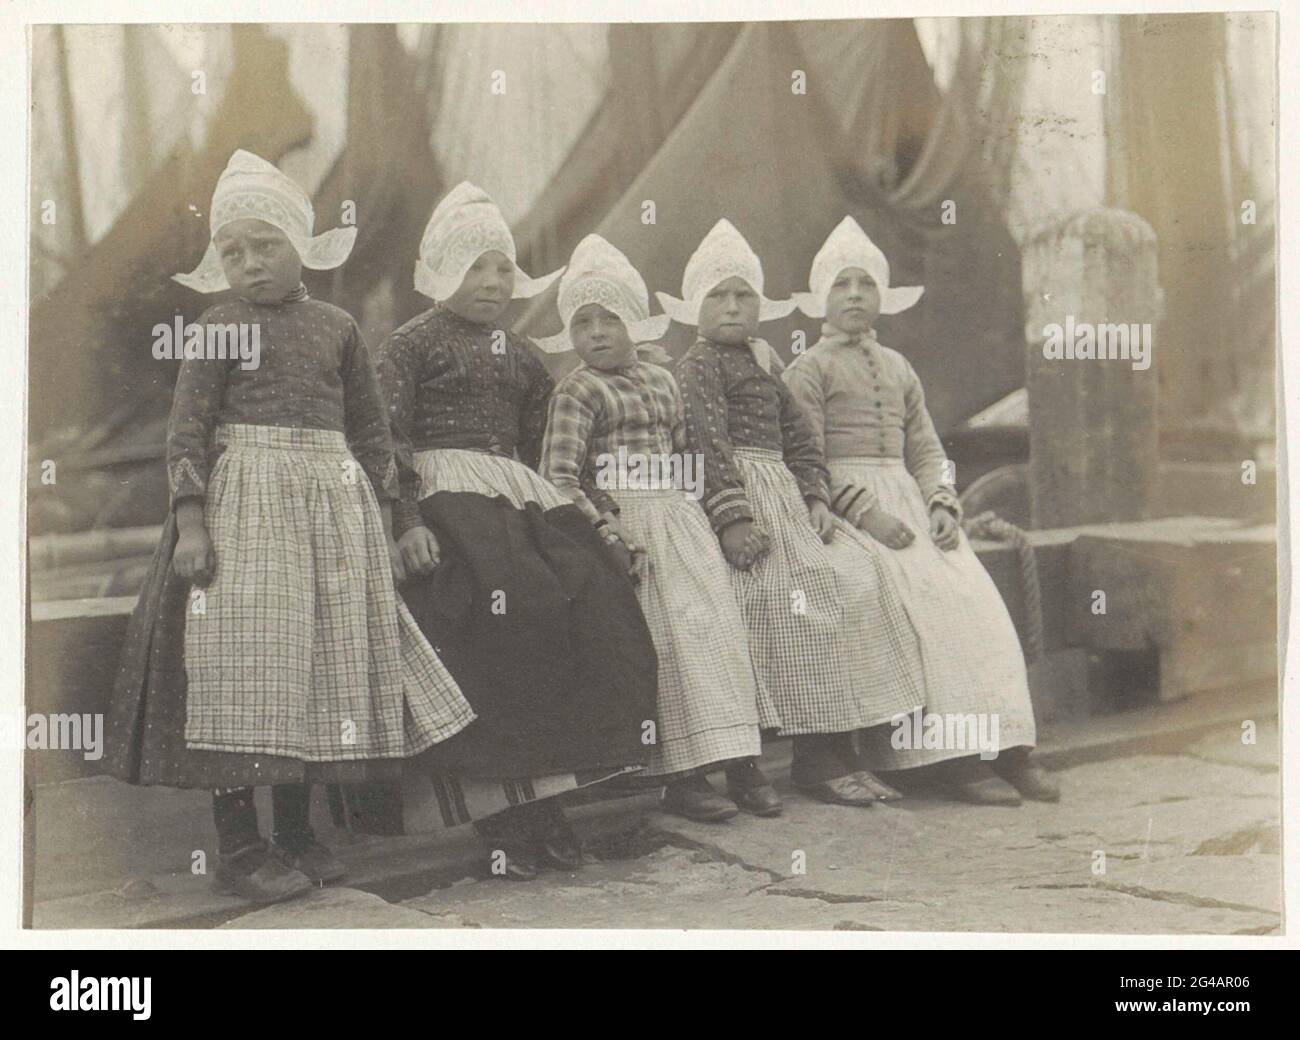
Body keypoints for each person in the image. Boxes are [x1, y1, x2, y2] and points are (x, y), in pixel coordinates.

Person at [104, 150, 475, 905]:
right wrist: (192, 523)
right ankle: (240, 844)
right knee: (244, 667)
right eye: (232, 252)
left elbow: (373, 438)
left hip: (331, 514)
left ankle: (298, 832)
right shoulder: (215, 328)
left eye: (264, 245)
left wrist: (398, 519)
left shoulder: (336, 328)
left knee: (311, 668)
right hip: (246, 509)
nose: (249, 264)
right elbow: (186, 435)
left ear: (300, 242)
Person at [374, 184, 658, 879]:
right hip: (445, 499)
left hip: (518, 496)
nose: (494, 283)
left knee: (587, 594)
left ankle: (551, 796)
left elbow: (548, 452)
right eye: (475, 268)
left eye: (502, 268)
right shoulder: (409, 346)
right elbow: (387, 438)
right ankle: (499, 810)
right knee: (493, 613)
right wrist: (406, 521)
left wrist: (598, 521)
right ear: (441, 271)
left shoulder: (524, 356)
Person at [785, 215, 1058, 805]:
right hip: (855, 513)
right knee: (922, 611)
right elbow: (807, 460)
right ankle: (950, 760)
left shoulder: (900, 368)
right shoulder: (807, 370)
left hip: (909, 500)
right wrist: (867, 515)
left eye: (866, 284)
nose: (855, 295)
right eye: (842, 285)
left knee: (976, 603)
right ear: (821, 299)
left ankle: (1011, 750)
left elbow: (928, 448)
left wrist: (941, 501)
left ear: (881, 295)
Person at [663, 219, 925, 808]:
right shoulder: (698, 366)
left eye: (744, 296)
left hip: (782, 491)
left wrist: (813, 497)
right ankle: (781, 760)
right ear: (693, 306)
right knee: (792, 598)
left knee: (858, 577)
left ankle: (834, 750)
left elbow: (801, 439)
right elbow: (705, 444)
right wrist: (733, 519)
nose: (732, 308)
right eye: (718, 296)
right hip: (735, 500)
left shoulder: (764, 364)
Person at [538, 234, 776, 822]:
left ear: (637, 322)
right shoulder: (576, 390)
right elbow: (559, 475)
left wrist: (719, 517)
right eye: (582, 321)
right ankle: (681, 776)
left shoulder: (665, 381)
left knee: (715, 633)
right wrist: (606, 531)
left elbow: (692, 458)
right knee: (665, 647)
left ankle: (741, 761)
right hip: (627, 526)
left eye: (610, 318)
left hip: (679, 517)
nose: (596, 332)